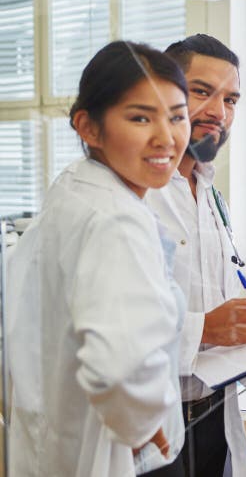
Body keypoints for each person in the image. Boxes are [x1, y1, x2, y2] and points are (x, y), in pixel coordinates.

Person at [6, 41, 190, 476]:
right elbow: (120, 365)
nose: (166, 137)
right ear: (88, 127)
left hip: (55, 435)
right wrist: (143, 423)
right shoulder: (116, 220)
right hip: (119, 453)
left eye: (177, 116)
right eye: (140, 117)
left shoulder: (74, 188)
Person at [145, 34, 246, 477]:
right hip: (150, 423)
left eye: (231, 99)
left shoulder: (212, 196)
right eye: (202, 92)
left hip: (215, 411)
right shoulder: (134, 195)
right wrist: (205, 328)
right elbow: (96, 320)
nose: (220, 112)